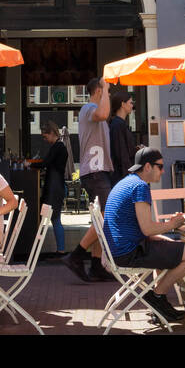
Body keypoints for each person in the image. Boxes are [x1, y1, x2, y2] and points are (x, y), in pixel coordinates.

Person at [101, 147, 185, 323]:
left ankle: (159, 305)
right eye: (160, 167)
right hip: (128, 253)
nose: (162, 171)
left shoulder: (126, 182)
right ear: (147, 166)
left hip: (118, 251)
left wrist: (161, 234)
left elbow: (137, 227)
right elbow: (147, 229)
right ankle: (157, 297)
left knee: (167, 246)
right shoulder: (140, 187)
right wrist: (173, 224)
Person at [64, 77, 115, 283]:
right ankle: (76, 256)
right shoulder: (88, 108)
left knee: (99, 219)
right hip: (94, 172)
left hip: (97, 172)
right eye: (107, 92)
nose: (109, 96)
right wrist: (106, 86)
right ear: (98, 91)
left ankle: (96, 265)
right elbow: (103, 113)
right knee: (106, 216)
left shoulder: (92, 111)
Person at [39, 120, 70, 255]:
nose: (45, 140)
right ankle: (60, 249)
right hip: (58, 186)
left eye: (45, 137)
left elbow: (46, 163)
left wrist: (31, 165)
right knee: (55, 218)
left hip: (54, 187)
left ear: (51, 133)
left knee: (55, 218)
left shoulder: (58, 147)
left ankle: (61, 250)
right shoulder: (60, 147)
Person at [107, 88, 137, 183]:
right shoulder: (118, 125)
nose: (132, 105)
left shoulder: (118, 124)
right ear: (123, 104)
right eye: (131, 103)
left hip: (121, 174)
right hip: (121, 176)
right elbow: (121, 154)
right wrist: (129, 175)